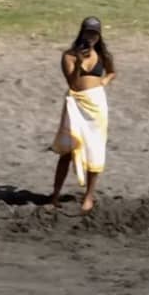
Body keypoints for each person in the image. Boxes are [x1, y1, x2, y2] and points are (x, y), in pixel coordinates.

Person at [50, 17, 115, 215]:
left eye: (95, 33)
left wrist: (103, 82)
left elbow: (112, 72)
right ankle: (55, 194)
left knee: (95, 148)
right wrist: (78, 64)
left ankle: (89, 196)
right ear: (82, 32)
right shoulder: (69, 56)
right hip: (76, 103)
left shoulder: (102, 54)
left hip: (96, 105)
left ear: (99, 35)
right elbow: (71, 82)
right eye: (88, 32)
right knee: (68, 150)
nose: (91, 37)